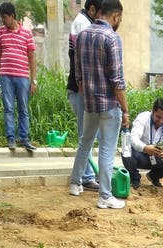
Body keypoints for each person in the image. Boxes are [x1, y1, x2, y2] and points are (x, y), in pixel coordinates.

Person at [69, 0, 129, 209]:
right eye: (119, 19)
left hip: (89, 103)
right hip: (109, 104)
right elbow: (117, 80)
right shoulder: (112, 38)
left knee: (85, 142)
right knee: (106, 149)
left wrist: (86, 91)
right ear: (115, 16)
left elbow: (77, 72)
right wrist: (126, 109)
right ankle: (105, 196)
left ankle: (75, 183)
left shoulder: (83, 35)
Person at [66, 0, 101, 192]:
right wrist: (84, 87)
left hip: (82, 88)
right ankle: (84, 177)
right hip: (81, 89)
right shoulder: (83, 24)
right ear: (92, 9)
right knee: (85, 136)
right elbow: (82, 61)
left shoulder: (85, 22)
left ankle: (84, 176)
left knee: (88, 135)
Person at [0, 1, 37, 152]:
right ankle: (11, 138)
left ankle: (24, 138)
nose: (3, 20)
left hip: (22, 77)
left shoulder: (26, 33)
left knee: (23, 108)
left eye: (4, 17)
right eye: (1, 17)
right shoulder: (0, 32)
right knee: (8, 108)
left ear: (12, 16)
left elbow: (32, 58)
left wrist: (34, 80)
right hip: (5, 76)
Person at [121, 96, 163, 189]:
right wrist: (145, 148)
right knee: (126, 148)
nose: (161, 121)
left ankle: (154, 176)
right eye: (158, 117)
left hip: (159, 158)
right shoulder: (143, 117)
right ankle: (134, 177)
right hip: (141, 156)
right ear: (152, 111)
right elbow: (133, 139)